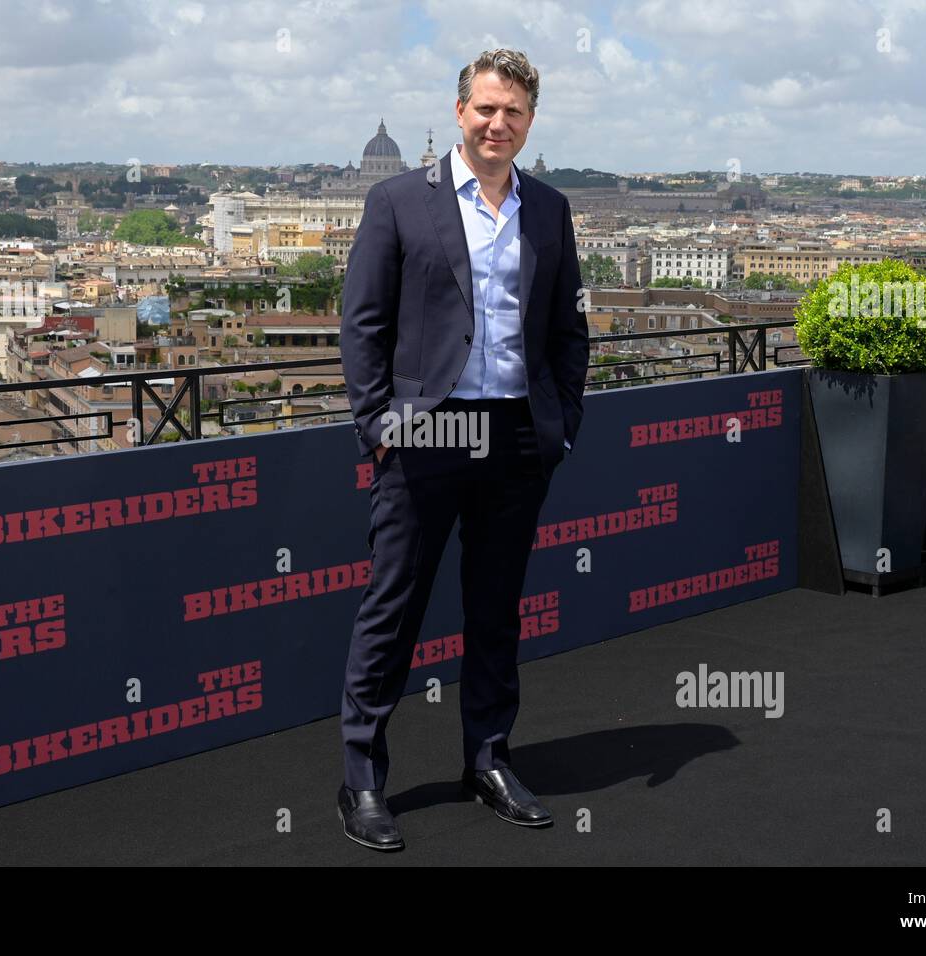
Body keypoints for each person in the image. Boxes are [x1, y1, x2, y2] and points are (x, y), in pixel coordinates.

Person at [337, 48, 588, 851]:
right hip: (427, 433)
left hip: (515, 430)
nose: (497, 123)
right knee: (393, 611)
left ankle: (488, 760)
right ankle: (363, 780)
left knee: (496, 612)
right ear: (458, 112)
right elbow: (362, 324)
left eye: (512, 112)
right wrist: (379, 425)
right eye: (485, 108)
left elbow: (566, 328)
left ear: (529, 122)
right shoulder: (398, 200)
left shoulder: (549, 208)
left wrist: (562, 420)